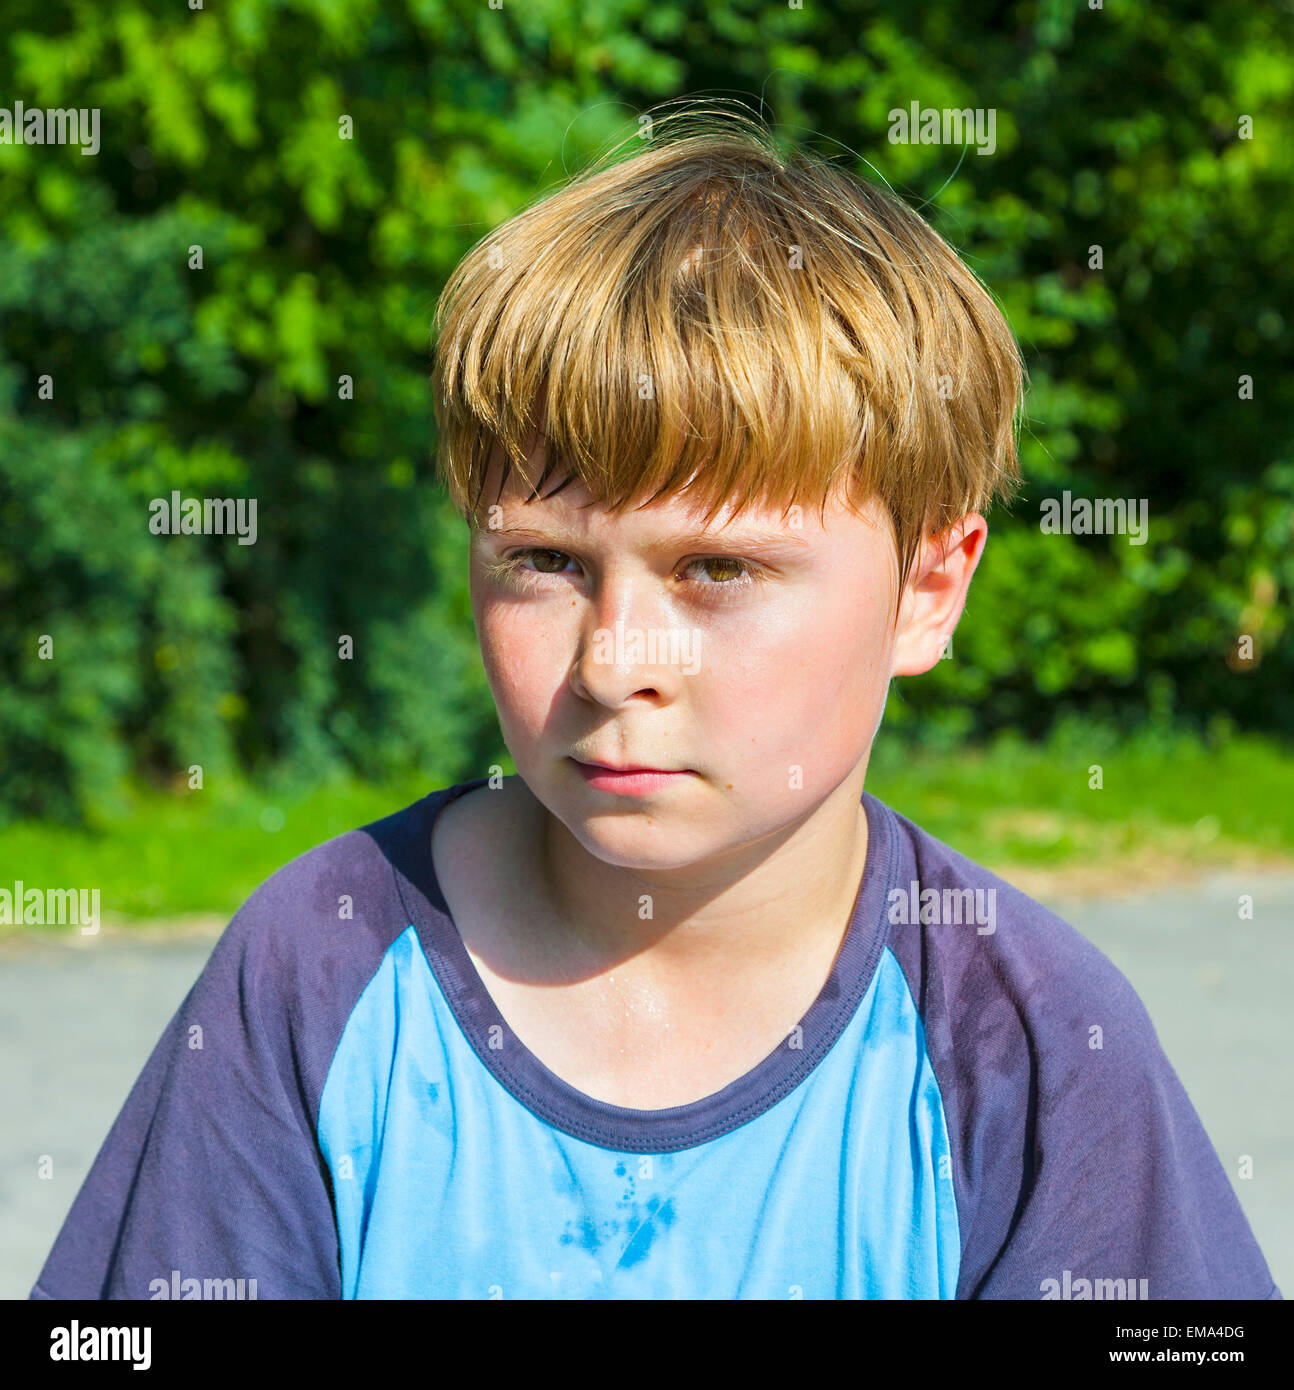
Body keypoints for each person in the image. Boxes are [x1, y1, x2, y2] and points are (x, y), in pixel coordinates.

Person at [31, 110, 1279, 1300]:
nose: (612, 661)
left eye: (718, 570)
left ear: (928, 590)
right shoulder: (323, 969)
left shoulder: (1031, 1050)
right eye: (546, 563)